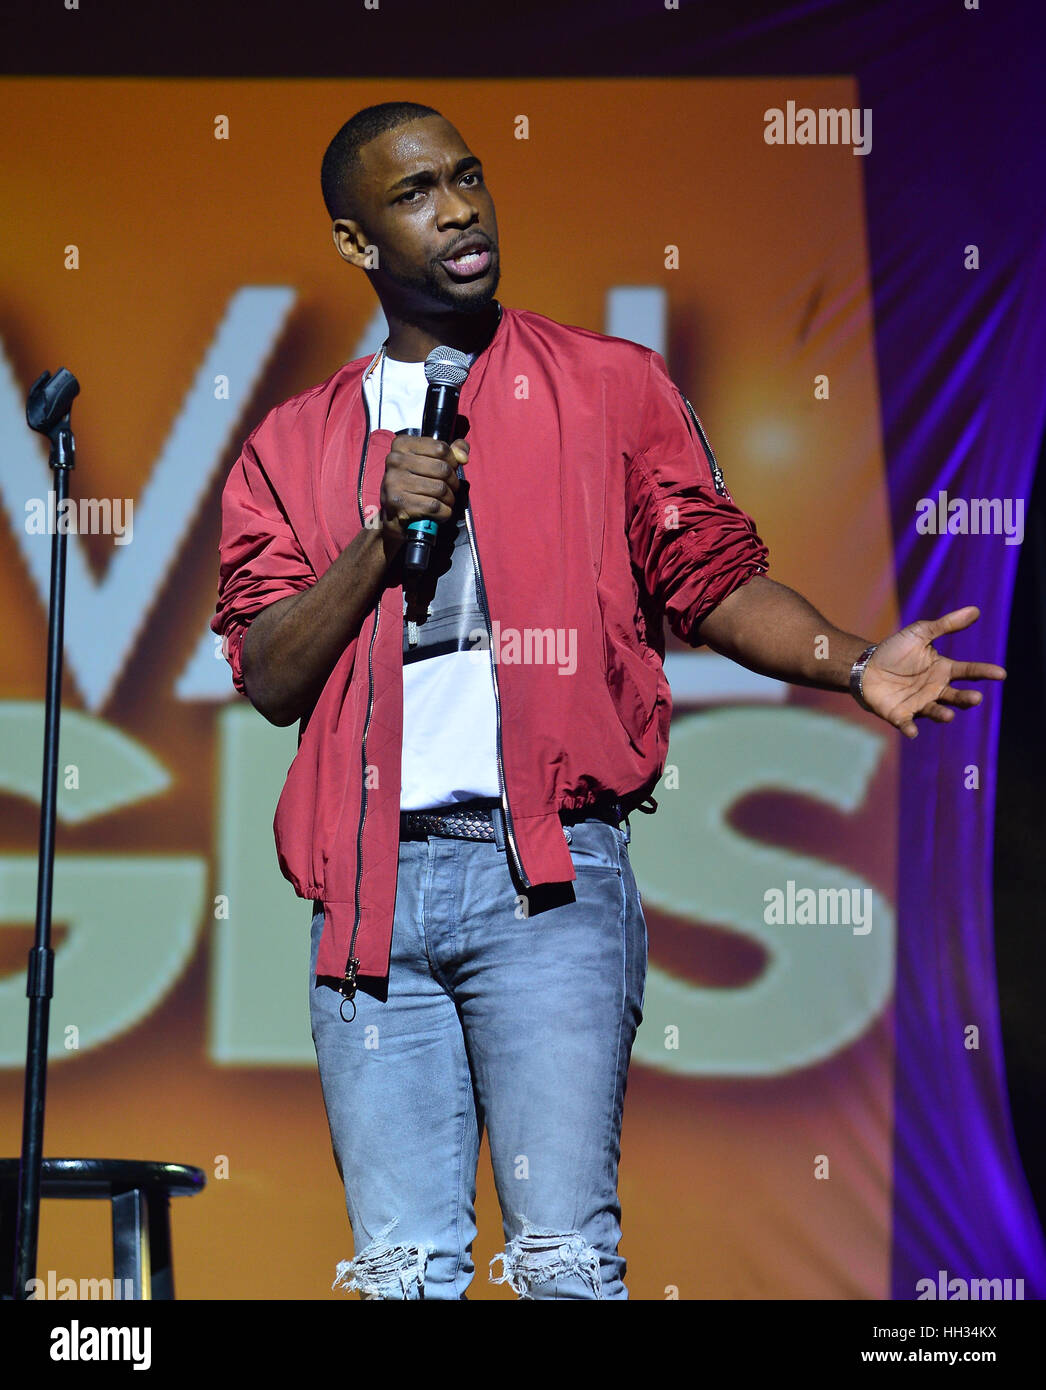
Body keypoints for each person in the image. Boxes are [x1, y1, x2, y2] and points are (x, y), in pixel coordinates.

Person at [210, 101, 1005, 1300]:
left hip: (548, 885)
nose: (461, 207)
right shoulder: (291, 441)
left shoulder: (606, 386)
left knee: (564, 1261)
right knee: (397, 1272)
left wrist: (851, 661)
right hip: (367, 902)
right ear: (355, 240)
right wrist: (379, 544)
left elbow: (714, 578)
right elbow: (268, 673)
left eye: (468, 177)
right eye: (416, 192)